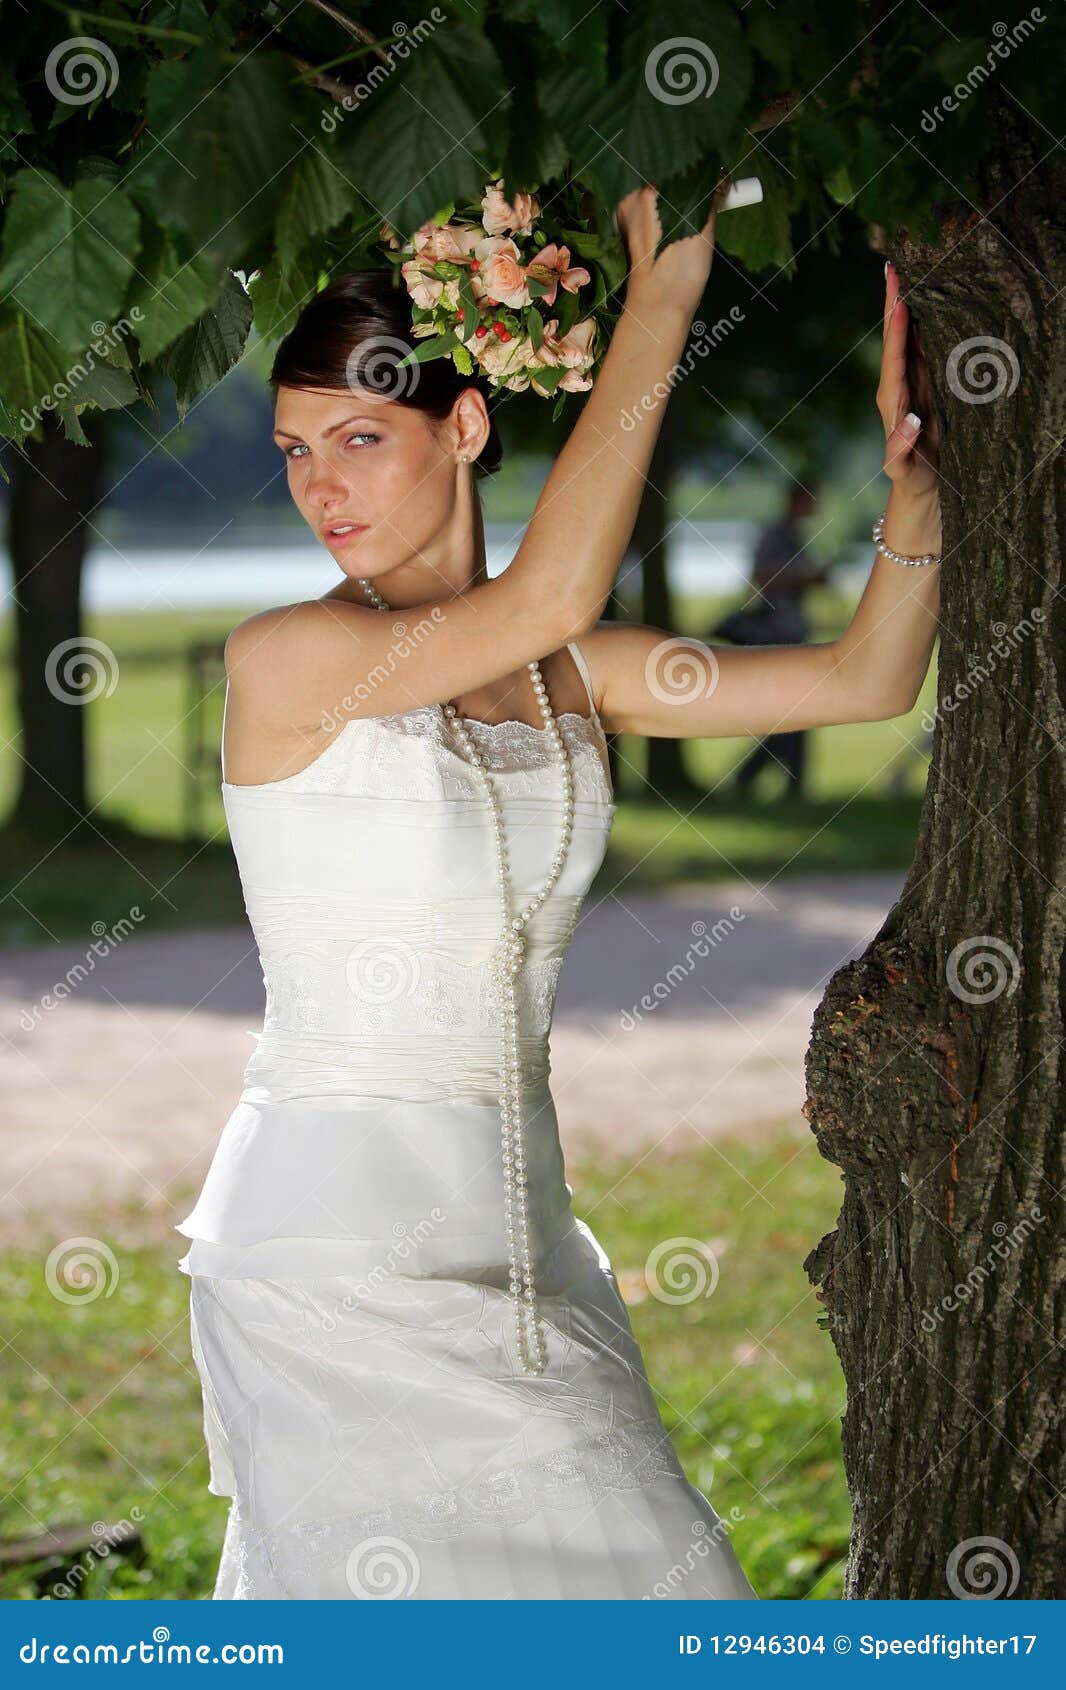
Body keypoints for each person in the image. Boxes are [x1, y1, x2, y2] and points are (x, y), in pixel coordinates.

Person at [175, 192, 941, 1599]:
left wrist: (916, 493)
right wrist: (664, 290)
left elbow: (860, 682)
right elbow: (543, 591)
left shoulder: (561, 673)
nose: (320, 488)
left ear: (463, 428)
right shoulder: (287, 660)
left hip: (525, 1234)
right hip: (331, 1242)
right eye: (294, 453)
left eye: (360, 439)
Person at [729, 482, 831, 799]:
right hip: (780, 632)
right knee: (796, 713)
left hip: (789, 630)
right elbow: (766, 575)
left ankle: (784, 783)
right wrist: (808, 577)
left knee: (797, 713)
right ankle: (768, 780)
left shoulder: (790, 534)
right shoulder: (778, 534)